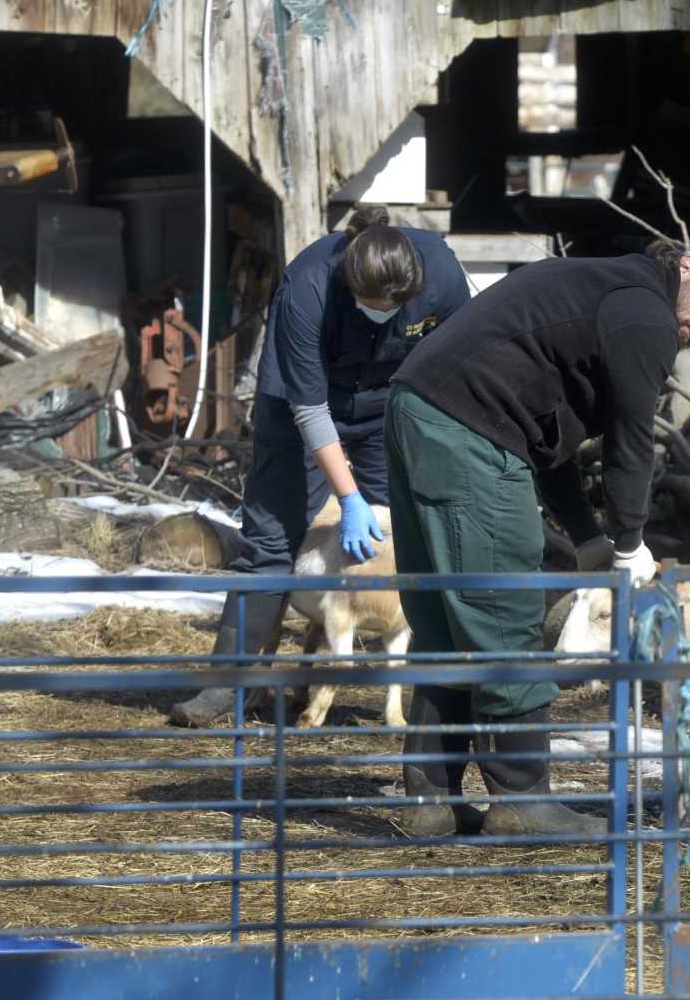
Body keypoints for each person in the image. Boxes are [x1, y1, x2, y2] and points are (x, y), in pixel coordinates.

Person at [382, 242, 690, 836]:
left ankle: (428, 801)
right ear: (687, 265)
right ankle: (522, 800)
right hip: (469, 428)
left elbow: (547, 445)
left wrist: (587, 536)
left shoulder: (607, 291)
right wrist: (630, 544)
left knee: (446, 619)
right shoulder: (645, 312)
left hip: (421, 406)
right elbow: (630, 443)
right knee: (503, 610)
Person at [170, 209, 473, 727]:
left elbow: (461, 358)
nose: (385, 315)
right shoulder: (307, 287)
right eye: (373, 306)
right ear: (350, 283)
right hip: (298, 403)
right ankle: (227, 686)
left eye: (396, 307)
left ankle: (414, 688)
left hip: (386, 400)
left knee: (401, 538)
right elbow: (310, 411)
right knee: (271, 542)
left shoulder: (441, 272)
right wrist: (349, 499)